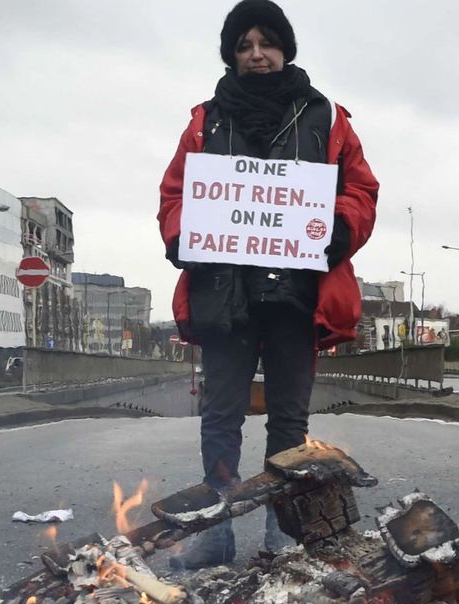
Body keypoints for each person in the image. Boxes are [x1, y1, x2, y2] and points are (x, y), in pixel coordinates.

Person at [158, 0, 378, 567]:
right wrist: (183, 235)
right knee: (220, 413)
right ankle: (217, 525)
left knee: (288, 418)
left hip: (295, 292)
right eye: (244, 46)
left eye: (266, 43)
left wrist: (337, 228)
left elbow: (360, 190)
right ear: (232, 54)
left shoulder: (326, 117)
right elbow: (176, 194)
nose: (256, 54)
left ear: (285, 48)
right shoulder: (206, 120)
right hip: (223, 288)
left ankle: (284, 527)